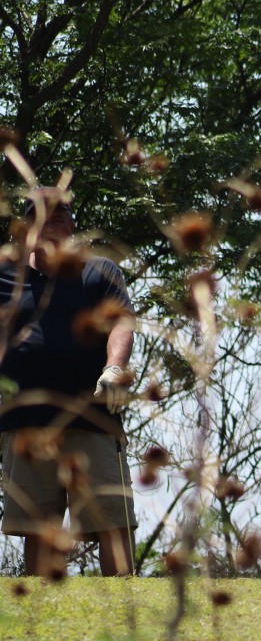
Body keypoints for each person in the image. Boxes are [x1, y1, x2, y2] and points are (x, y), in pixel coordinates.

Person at [0, 185, 137, 577]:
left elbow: (121, 323)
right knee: (37, 530)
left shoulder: (100, 270)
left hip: (90, 419)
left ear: (72, 226)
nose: (50, 223)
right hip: (26, 424)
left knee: (112, 525)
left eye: (59, 216)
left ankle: (126, 611)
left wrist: (114, 367)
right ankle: (41, 621)